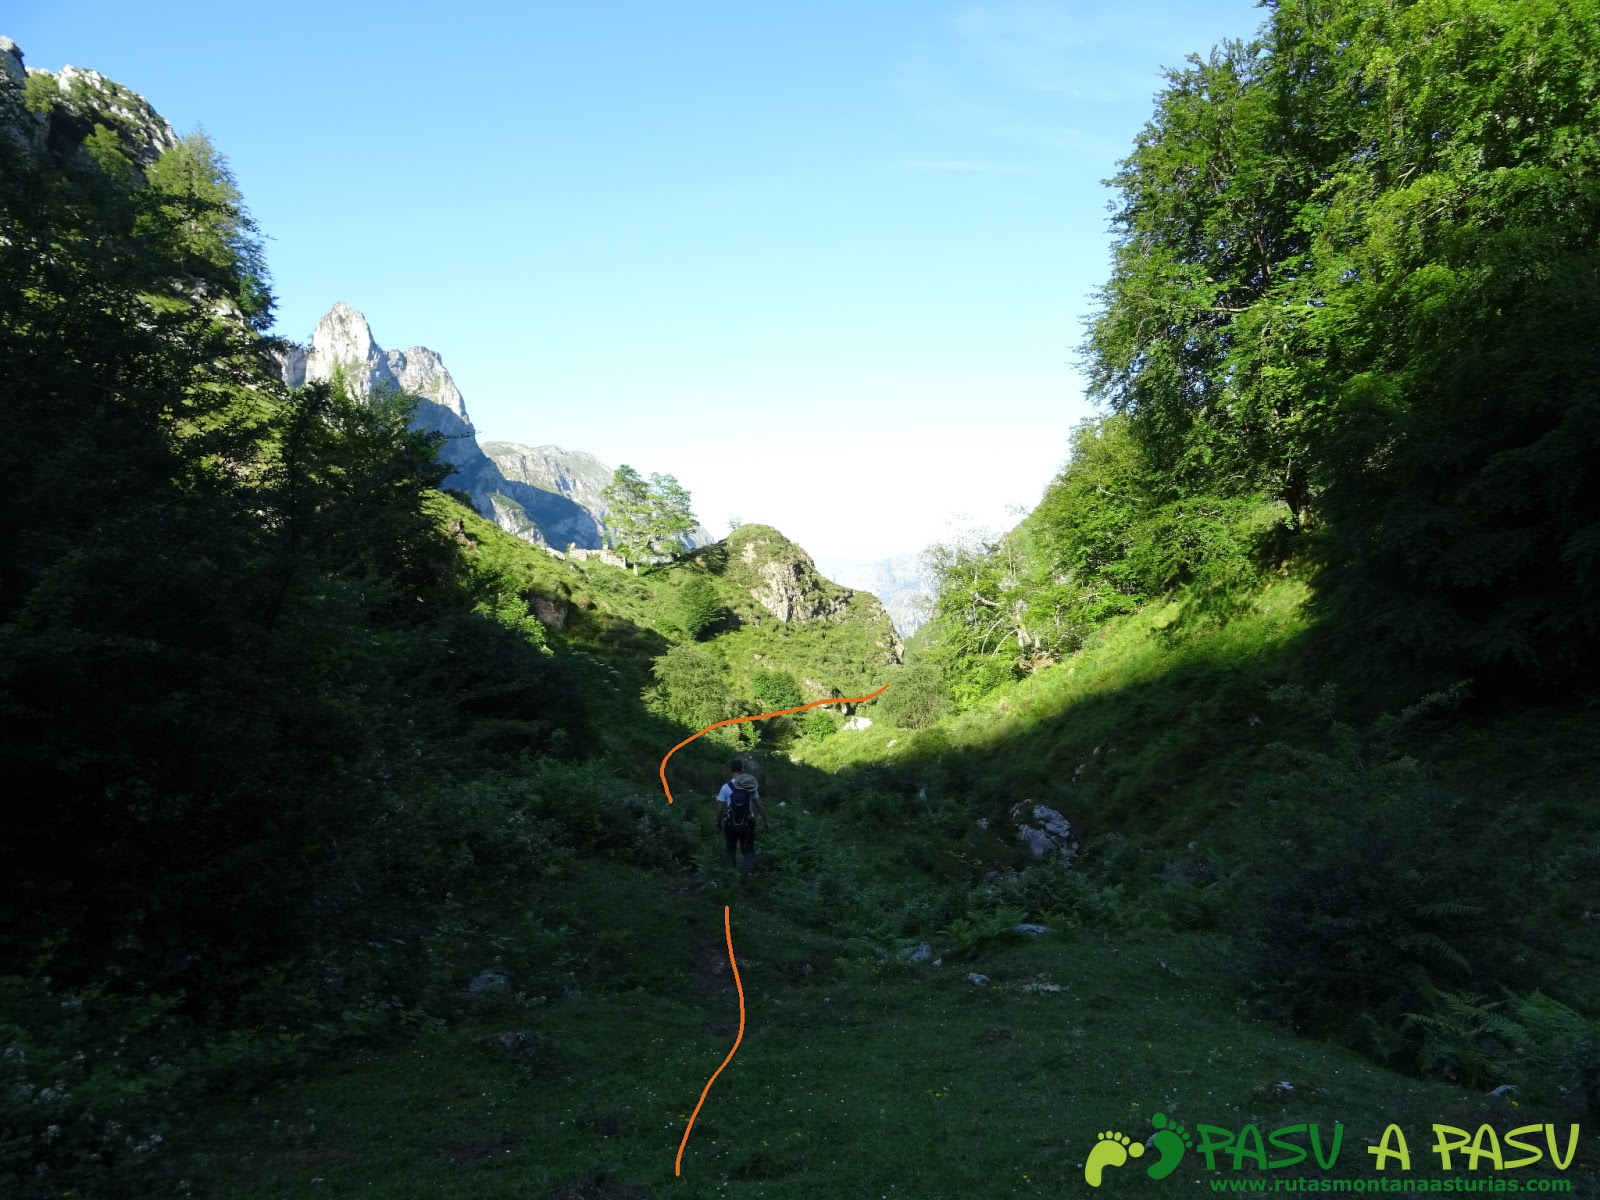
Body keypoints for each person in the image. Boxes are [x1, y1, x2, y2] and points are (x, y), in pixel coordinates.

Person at [715, 758, 768, 874]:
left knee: (730, 849)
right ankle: (749, 874)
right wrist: (766, 822)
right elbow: (759, 804)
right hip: (748, 822)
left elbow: (720, 809)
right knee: (748, 849)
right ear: (742, 769)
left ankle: (731, 875)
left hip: (730, 823)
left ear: (730, 770)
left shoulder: (725, 787)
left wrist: (718, 823)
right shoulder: (750, 785)